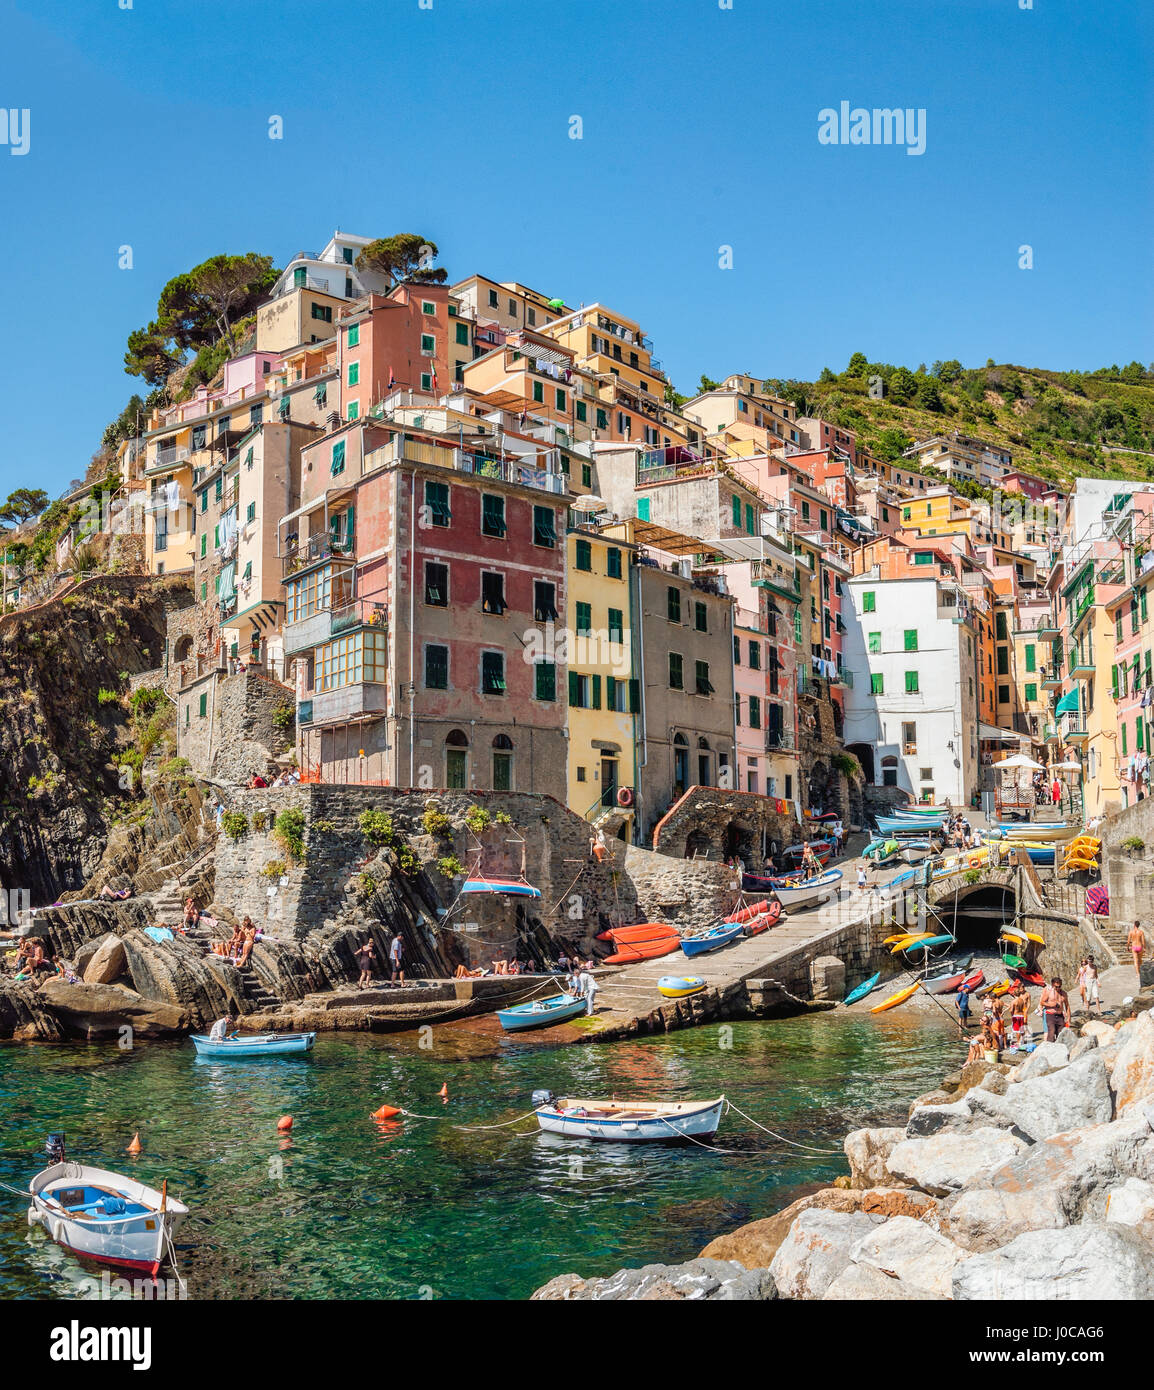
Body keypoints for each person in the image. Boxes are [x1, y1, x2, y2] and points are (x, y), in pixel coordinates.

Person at [1039, 977, 1070, 1042]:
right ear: (1053, 985)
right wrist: (1051, 1005)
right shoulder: (1049, 992)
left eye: (1060, 986)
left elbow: (1067, 1006)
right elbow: (1042, 1002)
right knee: (1051, 1032)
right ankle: (1049, 1047)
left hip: (1060, 1016)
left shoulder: (1064, 994)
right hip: (1050, 1015)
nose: (1058, 988)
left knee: (1060, 1034)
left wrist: (1069, 1018)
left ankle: (1060, 1048)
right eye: (1056, 987)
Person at [1127, 920, 1147, 986]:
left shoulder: (1131, 932)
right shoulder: (1141, 932)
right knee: (1140, 960)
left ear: (1134, 925)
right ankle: (1141, 972)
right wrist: (1144, 948)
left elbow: (1128, 941)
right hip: (1139, 947)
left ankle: (1138, 974)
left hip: (1134, 947)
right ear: (1139, 925)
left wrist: (1127, 947)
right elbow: (1143, 941)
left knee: (1135, 961)